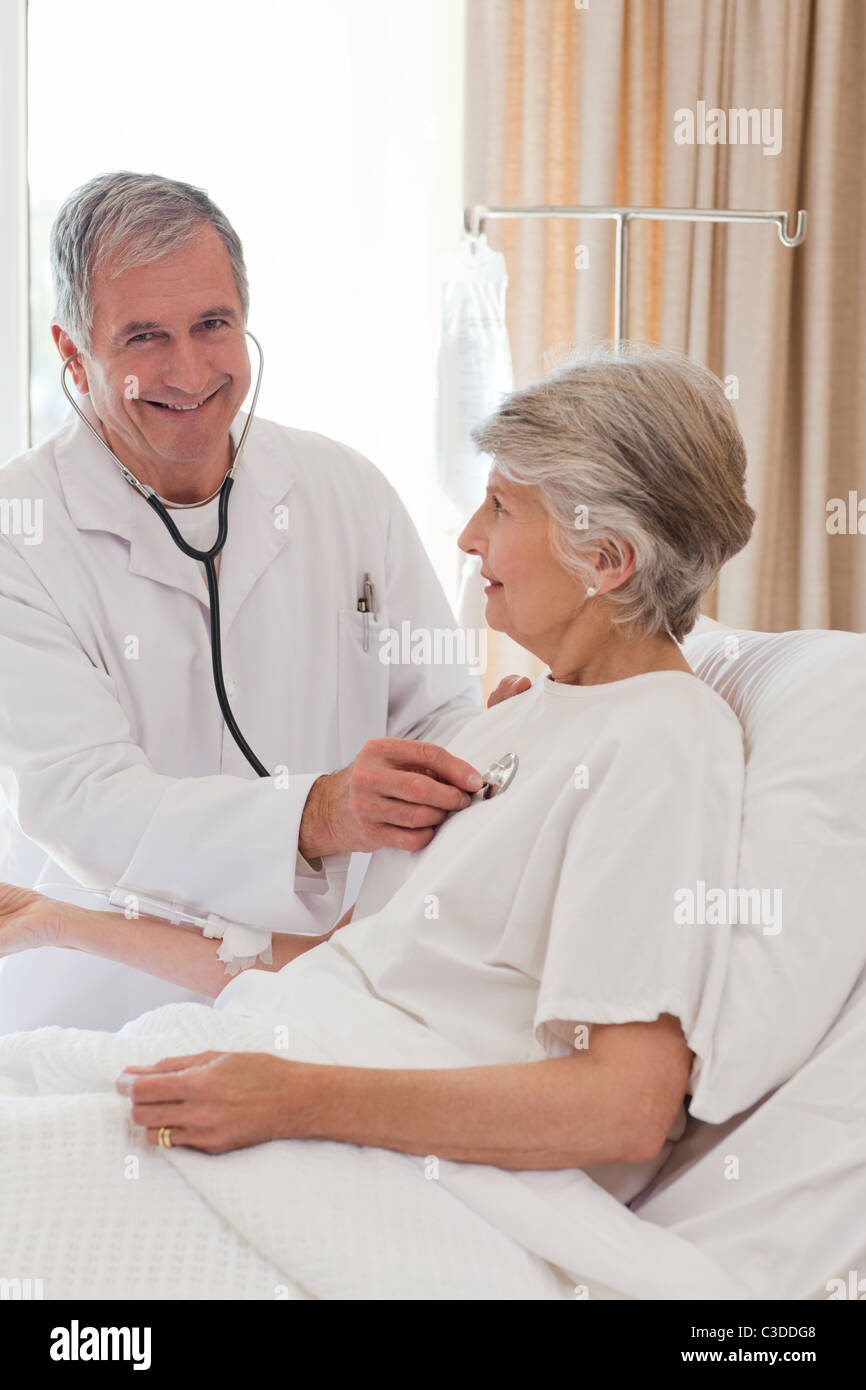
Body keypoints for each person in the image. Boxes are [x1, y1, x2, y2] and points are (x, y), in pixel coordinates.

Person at [0, 345, 756, 1300]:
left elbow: (625, 1107)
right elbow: (330, 967)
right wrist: (58, 922)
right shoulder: (515, 720)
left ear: (607, 559)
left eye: (503, 508)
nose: (468, 539)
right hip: (260, 1066)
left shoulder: (664, 741)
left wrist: (295, 1100)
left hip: (343, 1142)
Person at [0, 171, 519, 1034]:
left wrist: (491, 756)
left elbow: (434, 713)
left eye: (212, 325)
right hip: (98, 1008)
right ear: (70, 351)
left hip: (328, 990)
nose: (189, 369)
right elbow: (84, 802)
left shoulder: (342, 488)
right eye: (143, 338)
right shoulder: (21, 534)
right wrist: (315, 815)